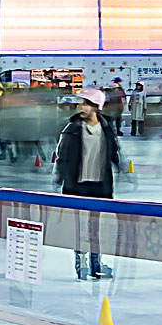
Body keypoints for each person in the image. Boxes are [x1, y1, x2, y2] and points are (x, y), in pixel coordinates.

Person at [56, 94, 118, 279]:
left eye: (86, 104)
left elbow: (113, 151)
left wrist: (120, 167)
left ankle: (96, 263)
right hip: (77, 184)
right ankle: (80, 263)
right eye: (80, 104)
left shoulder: (106, 128)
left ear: (96, 106)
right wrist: (61, 177)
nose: (81, 108)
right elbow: (63, 155)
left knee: (95, 227)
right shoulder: (72, 128)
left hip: (99, 185)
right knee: (79, 227)